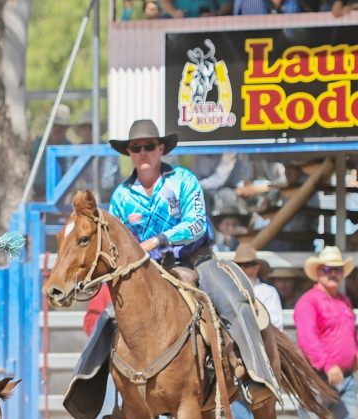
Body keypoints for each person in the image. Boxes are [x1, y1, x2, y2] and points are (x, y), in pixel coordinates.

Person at [106, 119, 277, 397]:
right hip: (147, 269)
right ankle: (97, 389)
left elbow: (196, 223)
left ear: (161, 148)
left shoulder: (183, 180)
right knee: (108, 318)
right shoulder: (121, 197)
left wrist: (159, 240)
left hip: (195, 259)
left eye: (149, 146)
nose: (143, 152)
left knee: (231, 299)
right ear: (129, 153)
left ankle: (256, 375)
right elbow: (115, 239)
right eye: (136, 148)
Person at [84, 286, 173, 419]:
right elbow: (91, 322)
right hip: (116, 365)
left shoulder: (152, 287)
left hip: (149, 367)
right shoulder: (108, 288)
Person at [287, 246, 358, 419]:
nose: (333, 273)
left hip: (346, 376)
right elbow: (308, 340)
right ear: (319, 272)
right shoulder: (309, 302)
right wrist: (329, 364)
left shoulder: (344, 301)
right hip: (317, 378)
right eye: (328, 269)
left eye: (337, 269)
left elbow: (350, 335)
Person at [231, 244, 284, 419]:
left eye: (249, 265)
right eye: (241, 265)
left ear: (257, 267)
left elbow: (275, 328)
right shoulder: (230, 292)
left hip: (261, 365)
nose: (246, 269)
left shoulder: (267, 292)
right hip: (239, 366)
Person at [31, 104, 71, 201]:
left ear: (65, 129)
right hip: (36, 194)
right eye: (54, 125)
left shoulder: (68, 148)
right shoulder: (38, 144)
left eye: (61, 127)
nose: (57, 129)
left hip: (60, 196)